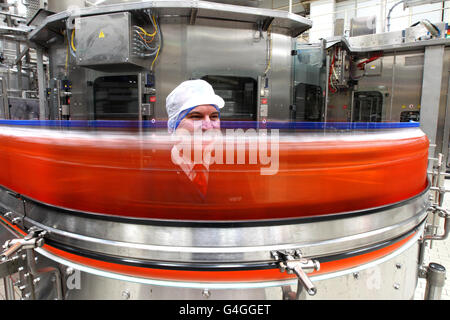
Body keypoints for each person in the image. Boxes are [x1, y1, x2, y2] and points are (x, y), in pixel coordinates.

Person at [165, 79, 225, 198]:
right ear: (174, 124)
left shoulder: (232, 168)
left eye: (214, 116)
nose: (208, 126)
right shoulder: (153, 174)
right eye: (196, 116)